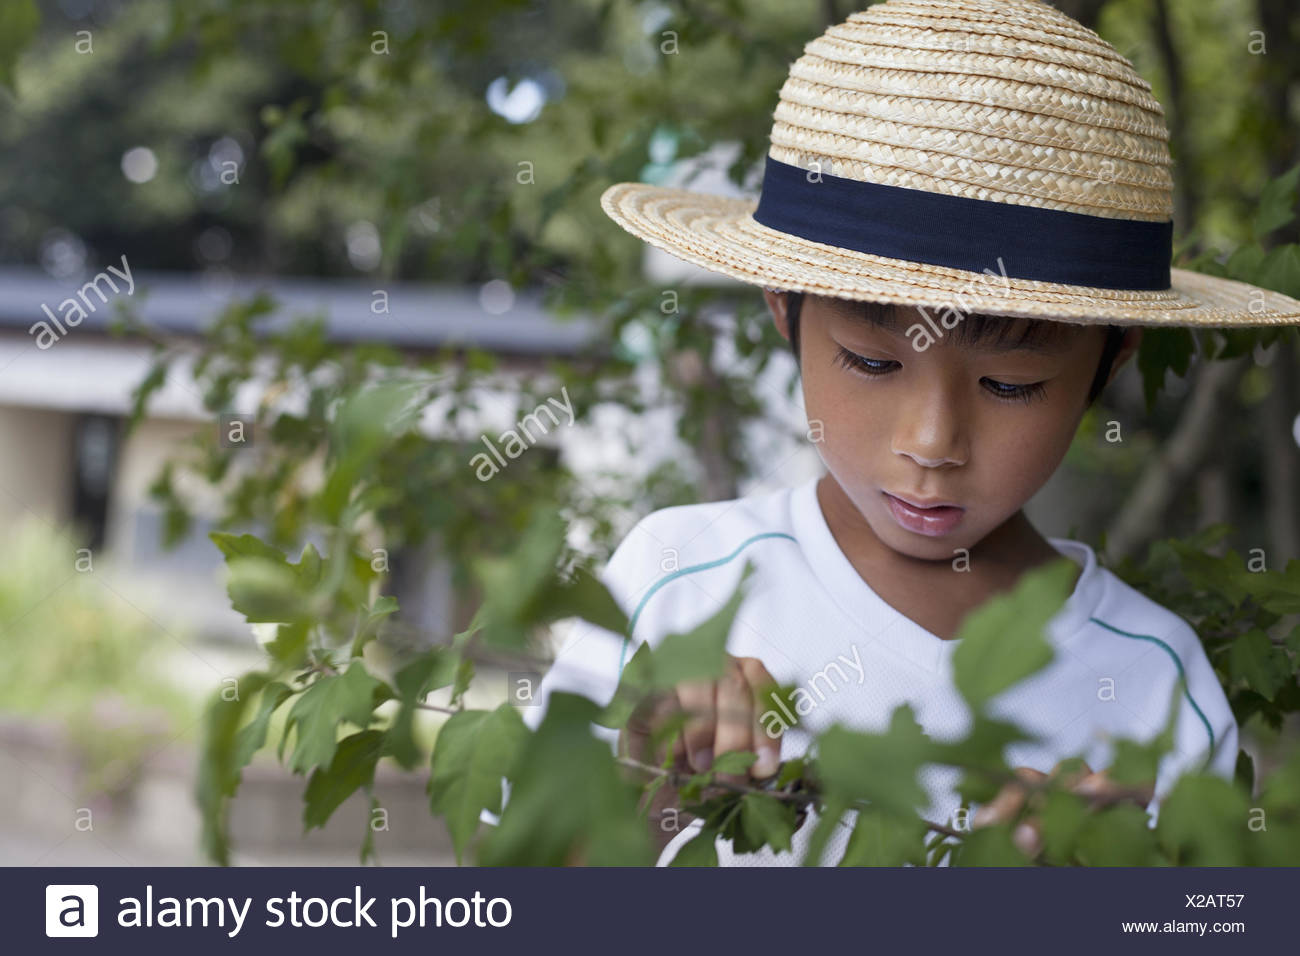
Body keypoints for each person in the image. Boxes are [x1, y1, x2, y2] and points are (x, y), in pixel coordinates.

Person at [481, 0, 1300, 865]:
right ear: (784, 313)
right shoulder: (674, 582)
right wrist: (641, 782)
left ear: (1112, 362)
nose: (933, 441)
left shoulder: (1157, 686)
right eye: (874, 362)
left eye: (1010, 385)